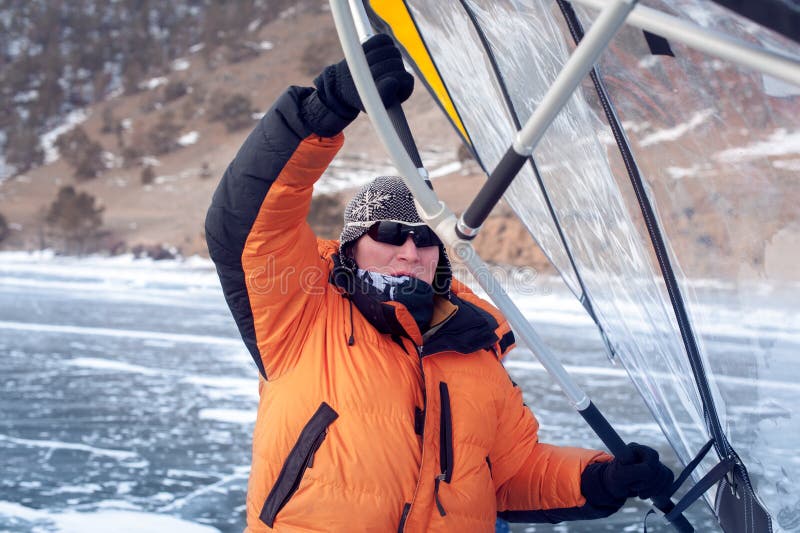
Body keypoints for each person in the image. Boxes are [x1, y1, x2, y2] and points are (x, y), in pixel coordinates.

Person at [205, 35, 674, 533]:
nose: (410, 251)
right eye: (389, 234)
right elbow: (244, 223)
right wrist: (323, 110)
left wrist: (599, 480)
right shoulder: (300, 314)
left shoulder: (477, 348)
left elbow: (509, 476)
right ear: (351, 246)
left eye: (426, 239)